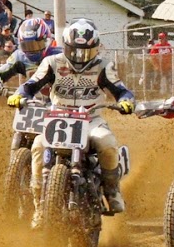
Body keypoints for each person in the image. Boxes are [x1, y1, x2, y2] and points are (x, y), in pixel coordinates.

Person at [9, 19, 136, 222]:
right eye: (75, 50)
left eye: (85, 51)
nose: (80, 57)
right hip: (58, 116)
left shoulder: (104, 66)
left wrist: (126, 101)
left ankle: (112, 191)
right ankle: (40, 206)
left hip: (91, 118)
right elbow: (31, 84)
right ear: (66, 46)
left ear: (95, 49)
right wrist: (20, 94)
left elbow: (121, 90)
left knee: (108, 143)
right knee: (38, 146)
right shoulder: (52, 62)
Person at [0, 17, 59, 96]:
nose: (32, 49)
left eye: (36, 45)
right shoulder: (20, 57)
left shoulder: (58, 55)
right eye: (26, 46)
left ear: (46, 40)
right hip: (30, 102)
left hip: (59, 102)